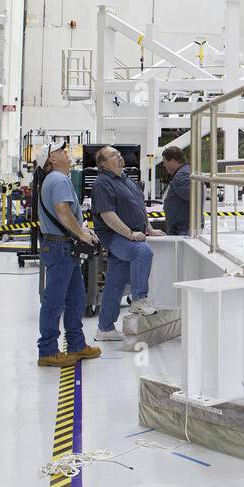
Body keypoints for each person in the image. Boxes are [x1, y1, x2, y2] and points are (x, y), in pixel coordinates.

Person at [34, 141, 101, 367]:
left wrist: (82, 230)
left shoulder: (55, 180)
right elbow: (63, 212)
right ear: (51, 160)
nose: (66, 152)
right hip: (60, 247)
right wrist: (81, 235)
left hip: (62, 246)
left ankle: (76, 345)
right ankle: (48, 350)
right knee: (54, 301)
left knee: (76, 298)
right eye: (60, 150)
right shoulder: (59, 179)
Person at [91, 145, 162, 341]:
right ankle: (139, 299)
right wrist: (129, 233)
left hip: (130, 234)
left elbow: (138, 206)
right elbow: (107, 214)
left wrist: (148, 228)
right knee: (142, 252)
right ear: (104, 164)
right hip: (116, 237)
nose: (119, 156)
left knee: (115, 283)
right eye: (114, 155)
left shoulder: (126, 179)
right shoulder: (102, 183)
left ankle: (105, 328)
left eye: (119, 153)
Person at [161, 145, 191, 236]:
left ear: (173, 161)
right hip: (183, 227)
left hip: (181, 229)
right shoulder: (187, 171)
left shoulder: (181, 176)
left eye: (165, 162)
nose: (164, 166)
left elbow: (194, 197)